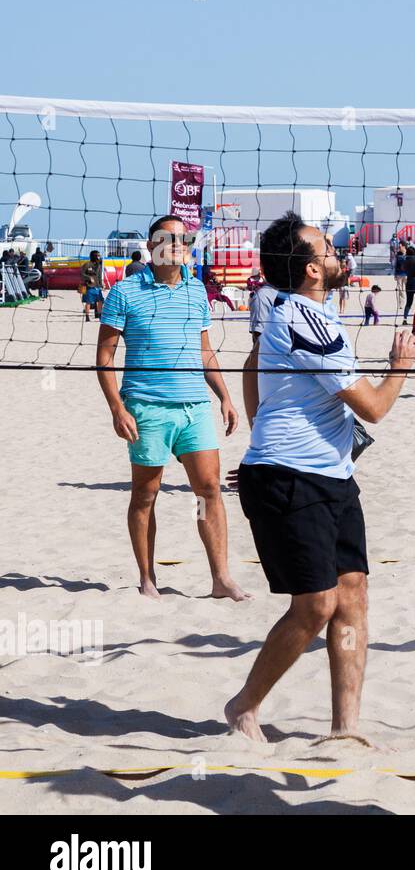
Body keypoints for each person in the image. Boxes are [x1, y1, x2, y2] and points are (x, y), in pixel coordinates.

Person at [225, 211, 415, 743]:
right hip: (288, 477)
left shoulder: (301, 312)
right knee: (316, 604)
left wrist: (263, 418)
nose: (337, 254)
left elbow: (252, 361)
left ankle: (344, 728)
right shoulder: (303, 321)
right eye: (327, 249)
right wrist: (401, 365)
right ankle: (243, 705)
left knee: (352, 594)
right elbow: (375, 407)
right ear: (312, 269)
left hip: (331, 474)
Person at [95, 215, 249, 601]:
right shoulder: (125, 292)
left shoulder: (197, 291)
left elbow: (204, 351)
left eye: (184, 238)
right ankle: (147, 579)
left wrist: (225, 397)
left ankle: (221, 579)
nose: (179, 244)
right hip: (147, 407)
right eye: (169, 238)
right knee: (146, 495)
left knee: (208, 490)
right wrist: (117, 407)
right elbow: (104, 355)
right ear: (152, 246)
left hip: (194, 406)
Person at [82, 250, 104, 321]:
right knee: (88, 302)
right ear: (94, 256)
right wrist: (89, 278)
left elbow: (99, 276)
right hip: (89, 287)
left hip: (97, 286)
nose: (99, 257)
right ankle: (87, 316)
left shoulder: (99, 265)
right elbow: (82, 274)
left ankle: (100, 315)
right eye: (98, 255)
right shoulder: (87, 264)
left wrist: (101, 285)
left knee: (100, 301)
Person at [401, 243, 415, 323]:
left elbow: (403, 268)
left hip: (408, 281)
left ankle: (405, 319)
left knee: (409, 302)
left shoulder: (406, 260)